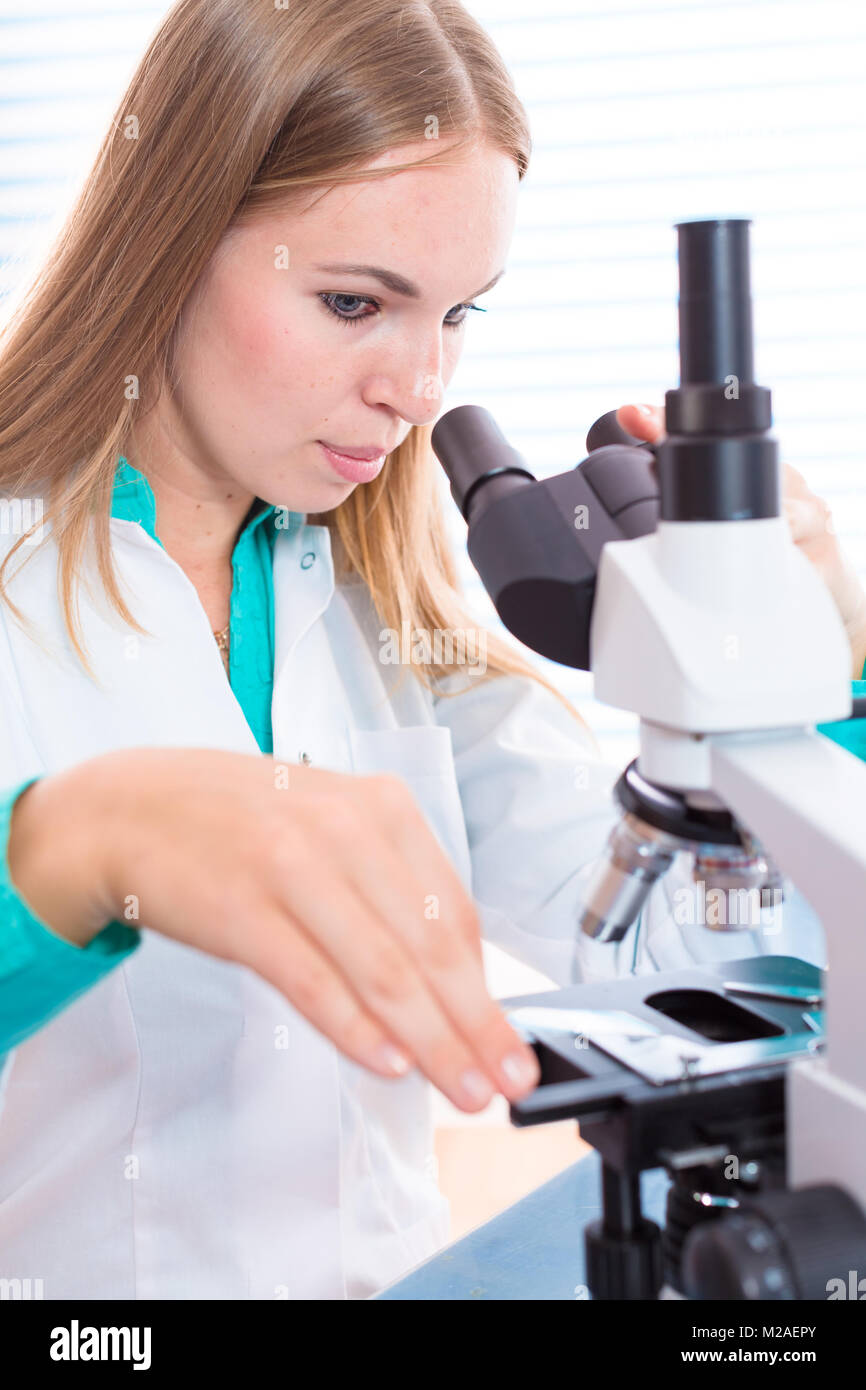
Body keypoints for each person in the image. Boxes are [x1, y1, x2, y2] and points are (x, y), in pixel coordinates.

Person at [0, 0, 863, 1302]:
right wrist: (76, 845)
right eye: (355, 301)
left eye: (457, 312)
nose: (417, 387)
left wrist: (822, 678)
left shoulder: (386, 600)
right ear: (168, 241)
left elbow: (683, 963)